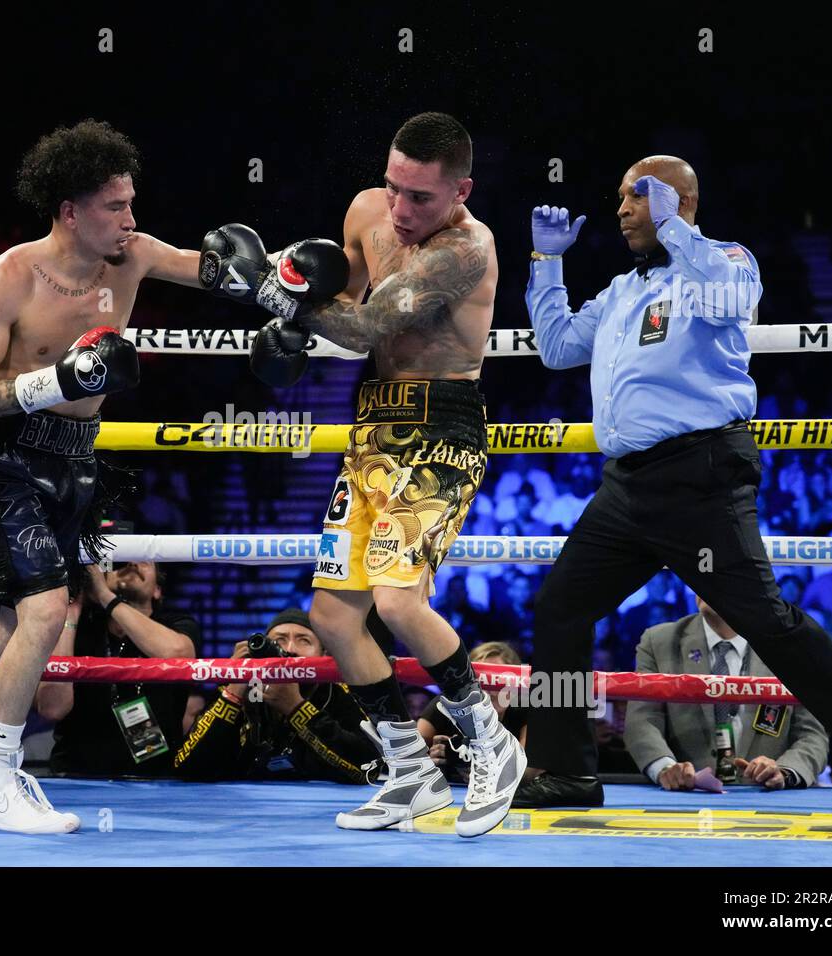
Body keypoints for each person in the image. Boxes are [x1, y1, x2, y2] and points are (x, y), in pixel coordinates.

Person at [0, 120, 346, 834]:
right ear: (70, 210)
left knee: (18, 627)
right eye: (115, 206)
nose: (131, 220)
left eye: (132, 203)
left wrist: (285, 281)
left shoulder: (130, 257)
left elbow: (215, 269)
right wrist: (55, 379)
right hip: (3, 457)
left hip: (75, 461)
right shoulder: (12, 276)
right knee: (46, 614)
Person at [517, 154, 832, 819]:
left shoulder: (723, 259)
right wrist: (546, 264)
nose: (620, 209)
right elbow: (556, 346)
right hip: (627, 488)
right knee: (559, 609)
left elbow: (732, 303)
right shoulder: (620, 291)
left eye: (635, 196)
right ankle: (568, 771)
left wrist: (678, 234)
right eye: (619, 197)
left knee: (770, 625)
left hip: (701, 476)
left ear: (679, 200)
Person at [254, 112, 525, 837]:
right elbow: (337, 289)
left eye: (422, 199)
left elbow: (367, 325)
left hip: (444, 425)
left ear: (460, 190)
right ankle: (412, 771)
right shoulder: (367, 211)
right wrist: (292, 285)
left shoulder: (467, 249)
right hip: (373, 423)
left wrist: (278, 290)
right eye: (394, 188)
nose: (401, 211)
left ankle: (492, 743)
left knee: (400, 602)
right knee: (334, 615)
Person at [625, 596, 829, 790]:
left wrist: (783, 772)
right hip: (688, 797)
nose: (706, 585)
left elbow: (812, 734)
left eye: (719, 576)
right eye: (700, 577)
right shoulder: (660, 642)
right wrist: (665, 769)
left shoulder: (791, 645)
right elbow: (642, 720)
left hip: (767, 800)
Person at [173, 609, 377, 782]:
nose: (289, 650)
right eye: (279, 640)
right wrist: (234, 686)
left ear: (324, 654)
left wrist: (295, 707)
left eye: (303, 640)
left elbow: (369, 769)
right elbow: (186, 767)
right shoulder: (246, 689)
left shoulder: (338, 692)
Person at [41, 562, 201, 778]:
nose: (133, 563)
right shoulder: (79, 627)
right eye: (121, 562)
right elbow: (52, 708)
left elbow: (178, 655)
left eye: (144, 561)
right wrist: (70, 615)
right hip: (77, 775)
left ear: (157, 590)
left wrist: (107, 598)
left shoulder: (176, 623)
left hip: (154, 778)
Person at [419, 641, 527, 784]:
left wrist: (493, 774)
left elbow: (529, 769)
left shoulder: (525, 711)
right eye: (481, 682)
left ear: (515, 685)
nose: (488, 690)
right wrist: (427, 762)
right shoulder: (445, 705)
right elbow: (406, 756)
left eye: (497, 681)